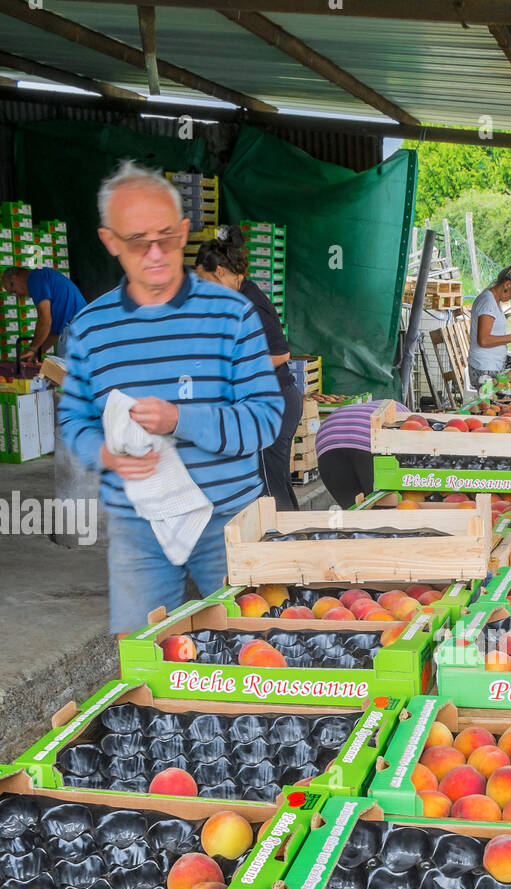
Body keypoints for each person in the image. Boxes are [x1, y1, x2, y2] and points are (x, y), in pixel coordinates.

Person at [58, 160, 284, 635]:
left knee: (261, 656)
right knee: (142, 662)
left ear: (185, 232)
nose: (156, 252)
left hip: (227, 521)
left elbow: (266, 418)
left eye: (167, 236)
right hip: (138, 530)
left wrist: (181, 419)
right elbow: (74, 419)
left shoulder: (233, 315)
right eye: (138, 240)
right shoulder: (90, 329)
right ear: (110, 241)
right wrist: (104, 453)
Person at [195, 226, 301, 510]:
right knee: (271, 480)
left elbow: (281, 354)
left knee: (269, 485)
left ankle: (283, 545)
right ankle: (291, 540)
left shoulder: (253, 302)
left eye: (204, 280)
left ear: (219, 272)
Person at [315, 399, 407, 507]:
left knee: (352, 508)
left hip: (328, 438)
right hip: (366, 439)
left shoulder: (389, 407)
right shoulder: (406, 417)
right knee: (383, 508)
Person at [2, 263, 85, 361]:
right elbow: (54, 334)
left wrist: (32, 348)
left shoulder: (34, 278)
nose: (18, 296)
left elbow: (45, 320)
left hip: (75, 331)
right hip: (82, 329)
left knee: (67, 373)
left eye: (13, 291)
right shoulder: (42, 277)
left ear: (14, 278)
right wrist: (36, 353)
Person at [467, 266, 511, 388]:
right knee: (489, 405)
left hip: (490, 367)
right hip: (484, 368)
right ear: (507, 284)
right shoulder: (488, 302)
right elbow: (483, 340)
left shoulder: (495, 301)